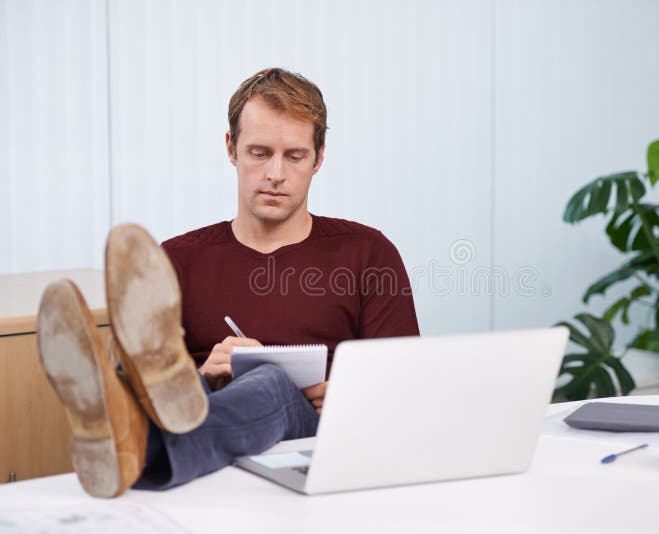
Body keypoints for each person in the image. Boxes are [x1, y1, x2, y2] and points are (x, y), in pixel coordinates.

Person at [36, 68, 419, 498]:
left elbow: (402, 393)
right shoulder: (178, 259)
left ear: (319, 157)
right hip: (206, 429)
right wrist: (203, 374)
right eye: (259, 153)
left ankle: (136, 444)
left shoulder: (367, 253)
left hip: (312, 436)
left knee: (270, 382)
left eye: (294, 156)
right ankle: (150, 400)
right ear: (231, 148)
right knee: (191, 387)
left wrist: (348, 398)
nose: (275, 173)